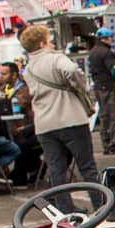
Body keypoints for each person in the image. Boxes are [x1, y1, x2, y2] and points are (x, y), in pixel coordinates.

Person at [19, 24, 99, 193]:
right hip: (70, 118)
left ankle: (64, 208)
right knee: (87, 166)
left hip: (44, 123)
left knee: (56, 168)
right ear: (42, 44)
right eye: (50, 41)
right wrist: (78, 85)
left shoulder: (28, 69)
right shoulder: (55, 58)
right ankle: (100, 203)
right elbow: (72, 70)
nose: (53, 44)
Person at [88, 27, 115, 154]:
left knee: (103, 116)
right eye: (110, 38)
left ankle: (105, 143)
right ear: (106, 39)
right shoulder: (106, 53)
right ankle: (112, 144)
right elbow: (113, 70)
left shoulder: (92, 52)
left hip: (98, 86)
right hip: (108, 86)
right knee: (112, 116)